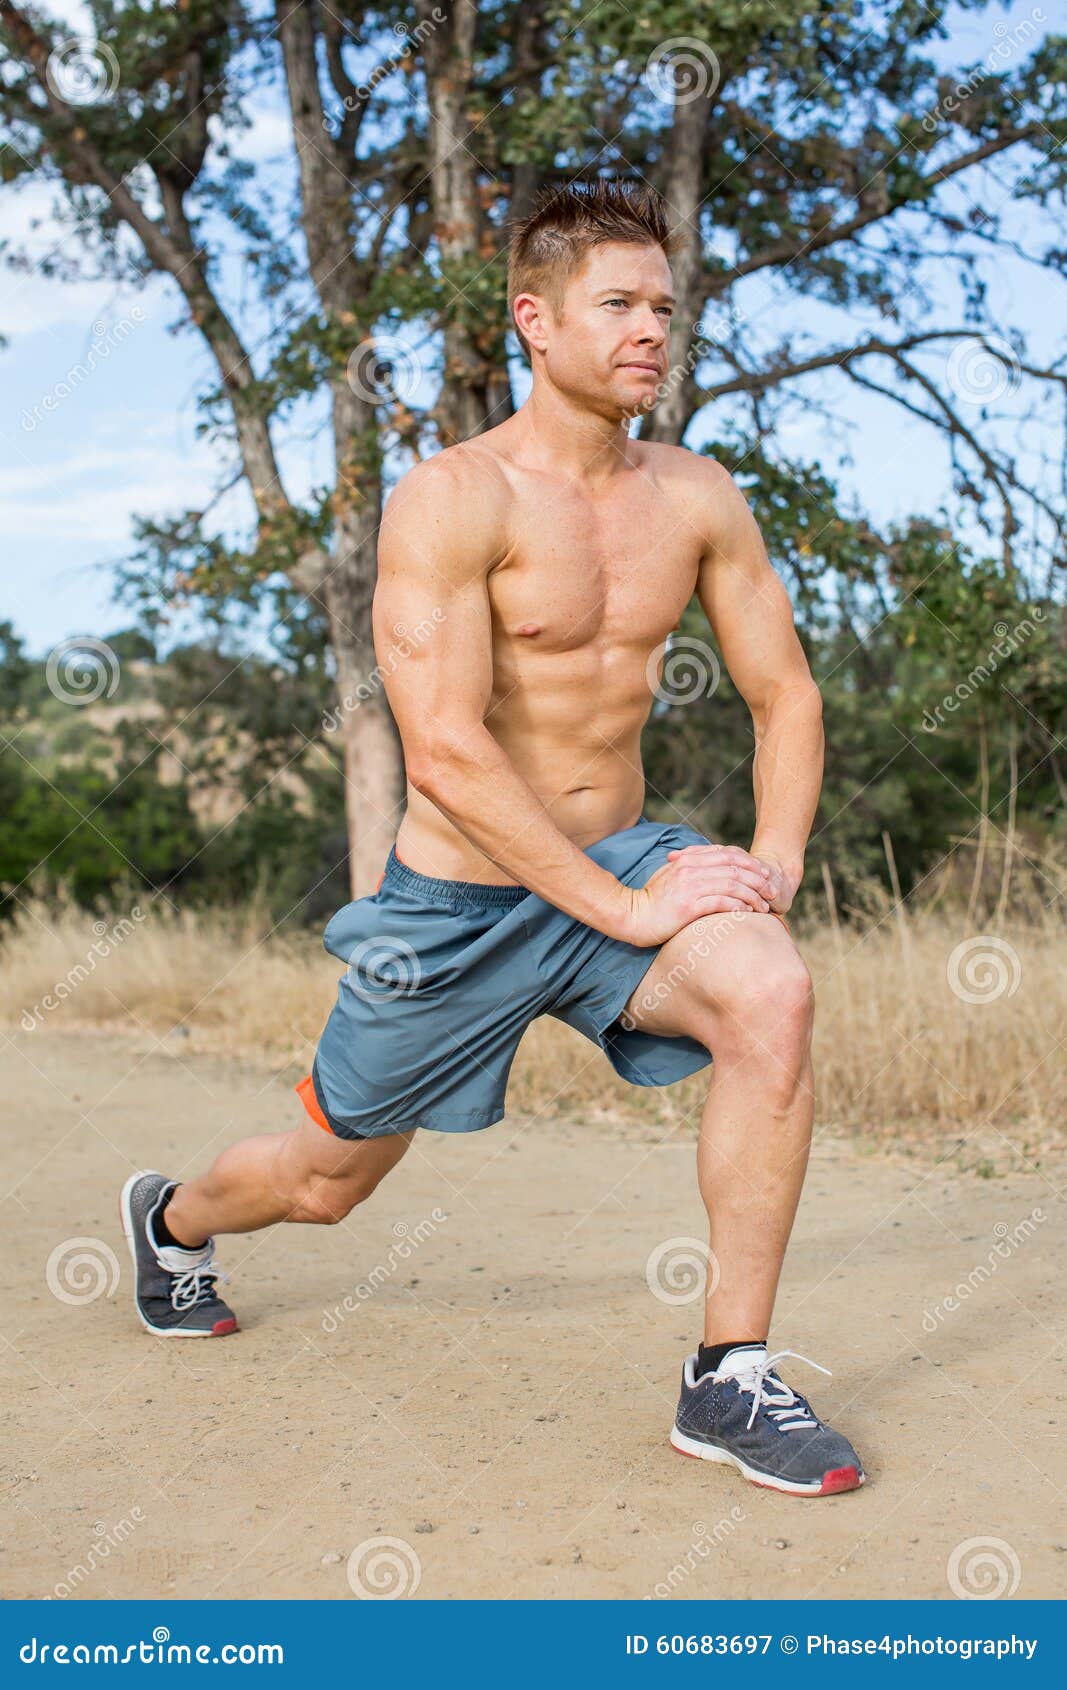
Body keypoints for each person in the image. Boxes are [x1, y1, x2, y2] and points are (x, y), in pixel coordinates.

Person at [121, 179, 864, 1497]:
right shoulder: (454, 497)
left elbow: (786, 694)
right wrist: (628, 912)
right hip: (457, 908)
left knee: (772, 992)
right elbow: (449, 749)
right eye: (619, 305)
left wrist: (778, 863)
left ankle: (729, 1373)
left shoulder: (696, 497)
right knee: (323, 1179)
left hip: (623, 863)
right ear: (534, 318)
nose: (653, 330)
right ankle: (171, 1222)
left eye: (665, 307)